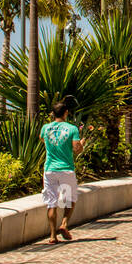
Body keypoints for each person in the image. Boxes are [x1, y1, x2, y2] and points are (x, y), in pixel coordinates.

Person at [41, 97, 85, 244]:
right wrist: (82, 144)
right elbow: (76, 149)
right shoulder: (72, 129)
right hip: (66, 169)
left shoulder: (45, 128)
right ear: (66, 113)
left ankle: (52, 236)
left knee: (51, 203)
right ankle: (64, 223)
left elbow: (43, 140)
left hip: (49, 169)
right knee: (70, 199)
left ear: (53, 114)